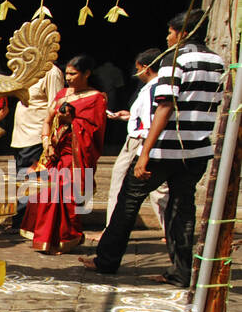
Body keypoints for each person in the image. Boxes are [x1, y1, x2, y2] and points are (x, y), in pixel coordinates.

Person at [83, 9, 227, 286]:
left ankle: (107, 260)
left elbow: (165, 106)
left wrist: (145, 152)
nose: (168, 37)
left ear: (183, 33)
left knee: (128, 201)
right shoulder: (217, 62)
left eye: (171, 32)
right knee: (182, 207)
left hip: (165, 148)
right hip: (196, 150)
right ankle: (182, 270)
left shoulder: (176, 59)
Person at [22, 54, 106, 254]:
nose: (68, 77)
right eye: (67, 73)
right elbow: (47, 120)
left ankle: (65, 238)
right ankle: (45, 238)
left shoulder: (95, 98)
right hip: (54, 152)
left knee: (64, 195)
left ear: (86, 74)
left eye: (73, 73)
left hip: (74, 155)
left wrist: (71, 122)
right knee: (44, 192)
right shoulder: (62, 94)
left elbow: (94, 131)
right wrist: (46, 143)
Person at [103, 49, 168, 232]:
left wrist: (145, 150)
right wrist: (130, 117)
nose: (136, 72)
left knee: (124, 182)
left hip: (141, 141)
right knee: (157, 190)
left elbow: (154, 119)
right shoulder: (151, 87)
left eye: (138, 68)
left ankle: (111, 230)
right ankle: (169, 230)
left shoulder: (155, 88)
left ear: (146, 68)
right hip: (143, 137)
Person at [9, 61, 63, 228]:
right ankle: (21, 219)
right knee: (21, 179)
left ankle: (26, 222)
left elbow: (56, 106)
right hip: (20, 136)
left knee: (31, 180)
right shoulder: (25, 70)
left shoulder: (51, 72)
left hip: (35, 136)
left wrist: (49, 139)